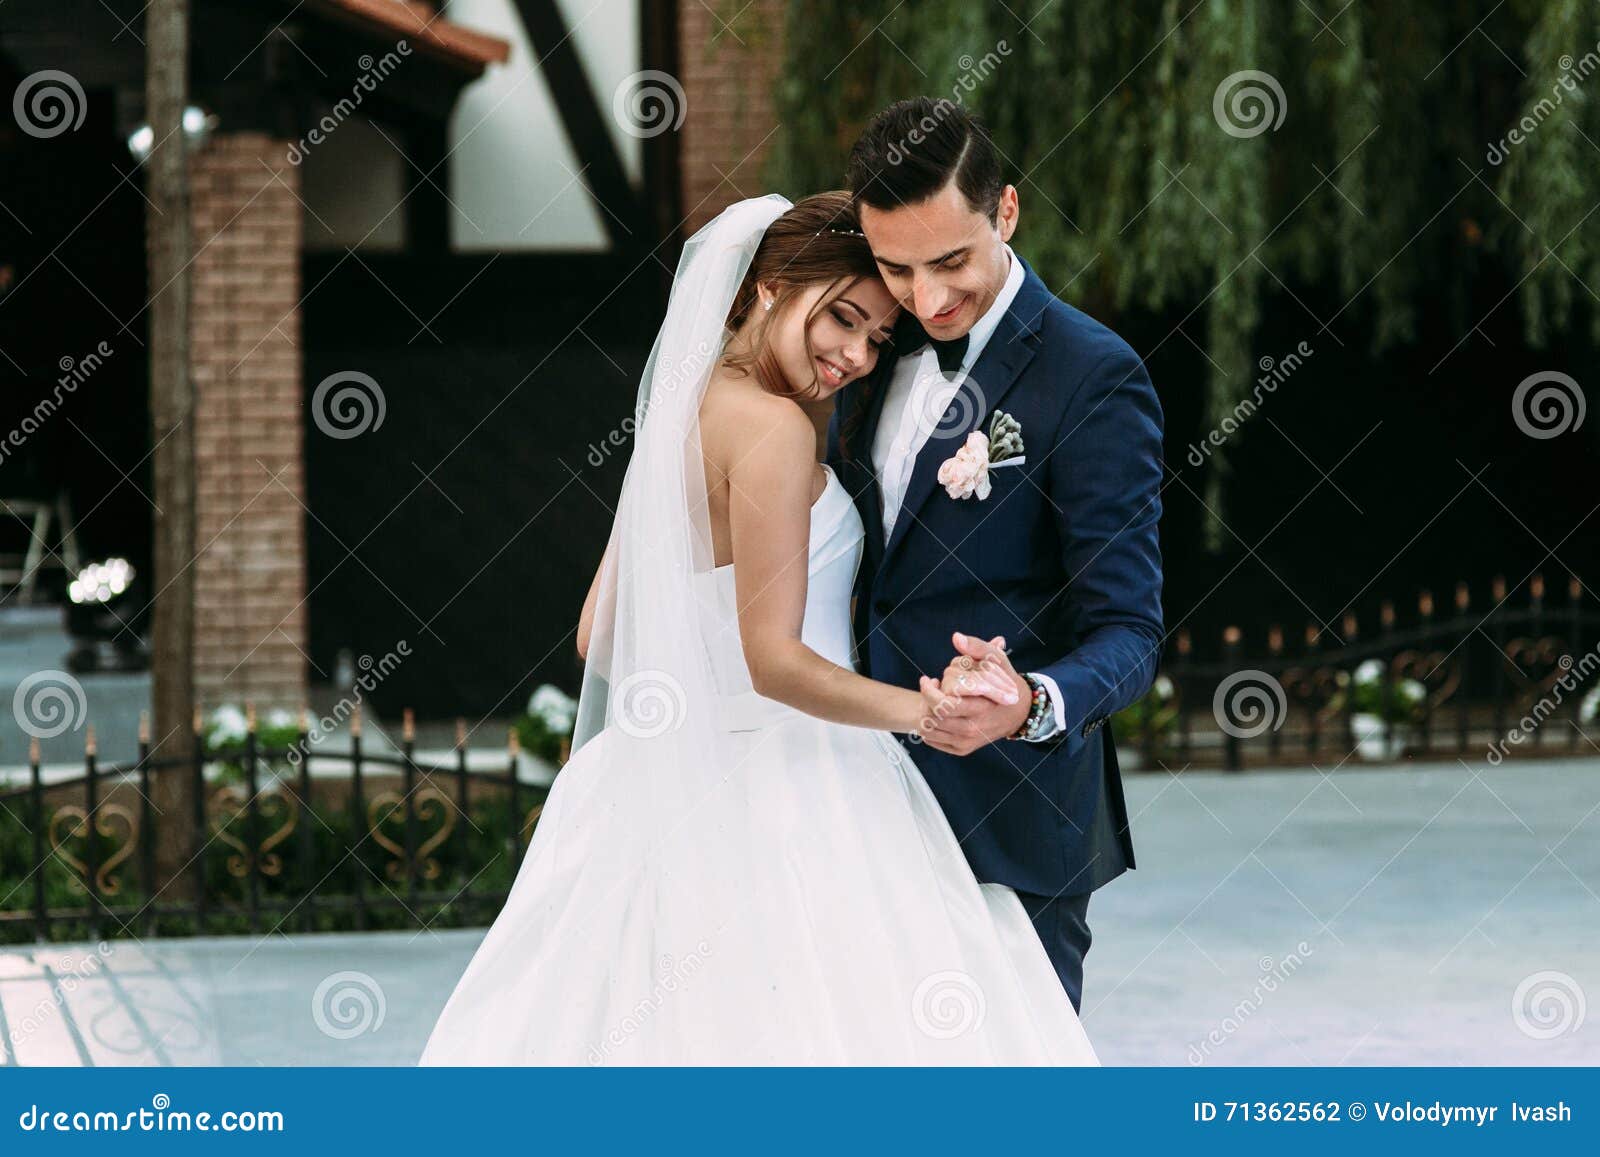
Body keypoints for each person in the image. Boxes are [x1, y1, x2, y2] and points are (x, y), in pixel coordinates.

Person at [418, 190, 1098, 1065]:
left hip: (649, 780)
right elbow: (774, 660)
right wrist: (926, 711)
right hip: (797, 780)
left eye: (876, 339)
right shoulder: (775, 431)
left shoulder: (683, 408)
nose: (855, 355)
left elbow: (597, 634)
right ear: (772, 286)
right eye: (843, 318)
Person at [827, 97, 1165, 1012]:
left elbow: (1130, 630)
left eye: (951, 262)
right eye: (896, 268)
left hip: (1013, 820)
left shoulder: (1094, 375)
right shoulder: (860, 352)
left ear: (1006, 212)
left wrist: (1031, 703)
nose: (927, 299)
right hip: (853, 810)